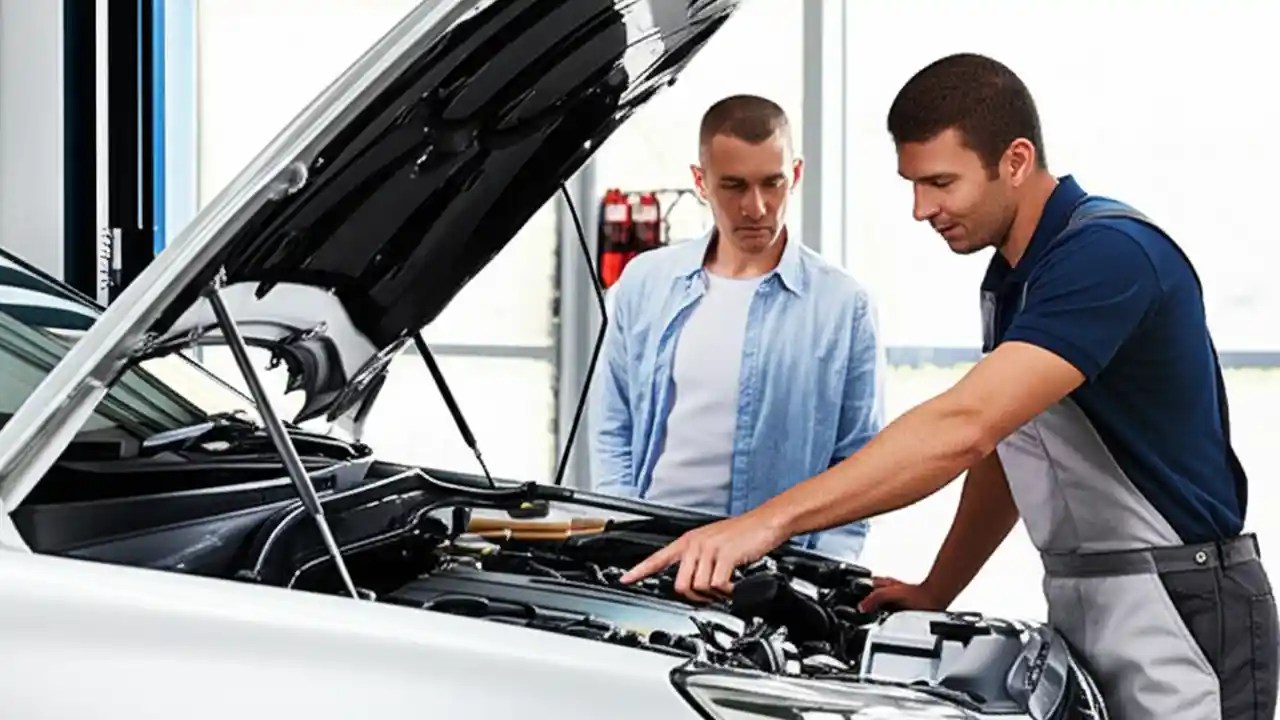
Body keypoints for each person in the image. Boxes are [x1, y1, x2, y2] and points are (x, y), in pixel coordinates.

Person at [619, 54, 1278, 720]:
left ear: (1015, 160)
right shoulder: (1017, 278)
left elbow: (966, 426)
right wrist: (939, 588)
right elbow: (1010, 449)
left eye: (939, 182)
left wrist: (764, 524)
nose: (919, 208)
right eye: (913, 184)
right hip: (1091, 597)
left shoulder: (1108, 256)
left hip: (1182, 603)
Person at [589, 94, 885, 562]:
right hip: (650, 549)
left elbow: (859, 459)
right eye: (734, 186)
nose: (757, 207)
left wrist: (826, 569)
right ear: (700, 182)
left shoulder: (843, 305)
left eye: (774, 183)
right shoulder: (645, 283)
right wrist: (624, 529)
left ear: (797, 175)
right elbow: (613, 425)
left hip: (779, 564)